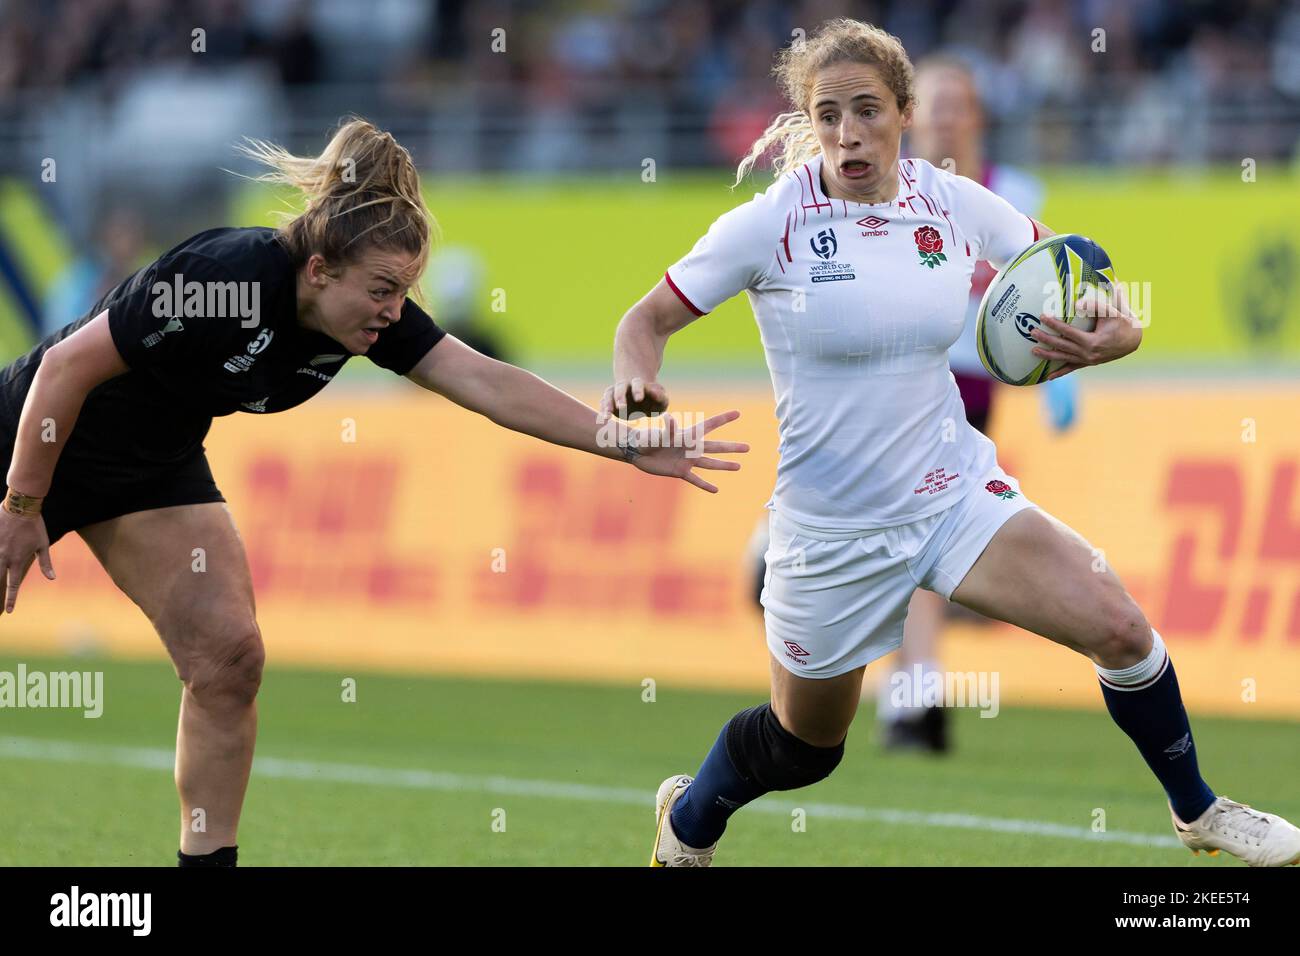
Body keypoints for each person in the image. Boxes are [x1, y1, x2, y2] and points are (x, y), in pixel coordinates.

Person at [602, 19, 1300, 867]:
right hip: (831, 530)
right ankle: (690, 819)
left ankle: (1199, 811)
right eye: (828, 115)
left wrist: (1117, 332)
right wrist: (636, 390)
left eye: (867, 110)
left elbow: (1083, 282)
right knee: (804, 748)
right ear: (808, 121)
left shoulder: (951, 200)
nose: (847, 133)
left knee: (1118, 626)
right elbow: (644, 320)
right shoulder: (770, 223)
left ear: (904, 113)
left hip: (950, 491)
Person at [0, 118, 747, 867]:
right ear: (320, 269)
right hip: (34, 434)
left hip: (150, 466)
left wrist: (620, 439)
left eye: (402, 292)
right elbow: (64, 368)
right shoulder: (227, 279)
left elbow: (486, 380)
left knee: (228, 660)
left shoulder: (361, 315)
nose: (394, 311)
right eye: (383, 291)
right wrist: (23, 504)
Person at [873, 53, 1077, 753]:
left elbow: (1048, 285)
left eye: (959, 102)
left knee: (918, 552)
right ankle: (910, 696)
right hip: (891, 389)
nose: (946, 116)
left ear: (977, 116)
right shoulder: (885, 194)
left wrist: (1063, 376)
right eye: (934, 103)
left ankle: (913, 699)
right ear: (911, 115)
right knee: (909, 557)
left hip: (968, 394)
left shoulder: (1011, 192)